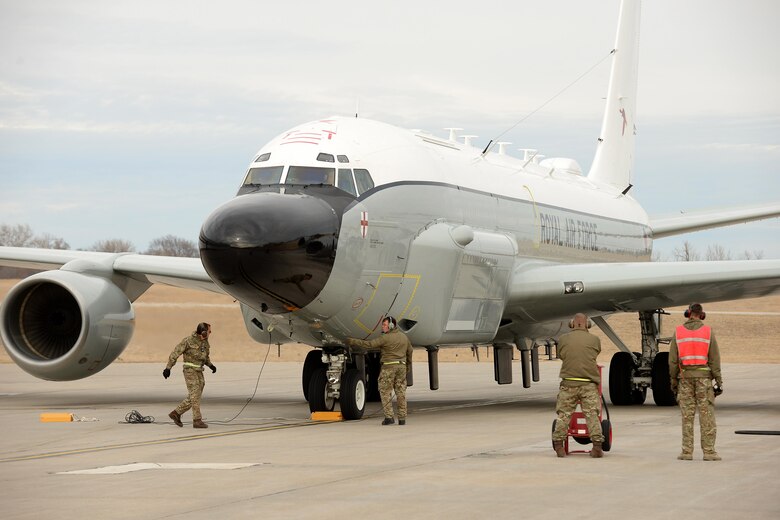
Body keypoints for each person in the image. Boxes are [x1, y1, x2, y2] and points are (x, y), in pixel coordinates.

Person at [669, 303, 722, 461]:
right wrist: (718, 381)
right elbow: (714, 359)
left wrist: (673, 380)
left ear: (688, 313)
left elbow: (673, 361)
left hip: (685, 379)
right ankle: (709, 452)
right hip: (704, 380)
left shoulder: (678, 332)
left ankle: (687, 452)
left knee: (687, 416)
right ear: (702, 314)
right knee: (707, 416)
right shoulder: (708, 331)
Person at [551, 313, 605, 458]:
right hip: (588, 384)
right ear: (587, 324)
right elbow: (596, 353)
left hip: (568, 383)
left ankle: (559, 447)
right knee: (592, 415)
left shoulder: (563, 339)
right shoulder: (594, 339)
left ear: (572, 324)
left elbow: (561, 355)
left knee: (563, 415)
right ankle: (597, 447)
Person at [346, 316, 413, 425]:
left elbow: (369, 345)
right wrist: (408, 365)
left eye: (385, 325)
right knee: (401, 393)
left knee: (385, 391)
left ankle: (389, 417)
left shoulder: (384, 338)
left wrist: (352, 341)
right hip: (401, 367)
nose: (382, 327)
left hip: (388, 367)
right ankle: (402, 418)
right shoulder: (404, 337)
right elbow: (410, 351)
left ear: (391, 326)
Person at [163, 322, 217, 429]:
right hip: (190, 370)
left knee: (195, 395)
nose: (210, 333)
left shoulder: (205, 342)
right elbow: (175, 353)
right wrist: (168, 368)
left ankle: (176, 413)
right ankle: (197, 420)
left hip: (199, 370)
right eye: (209, 331)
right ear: (204, 332)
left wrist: (211, 366)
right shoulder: (188, 341)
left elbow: (205, 356)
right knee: (195, 394)